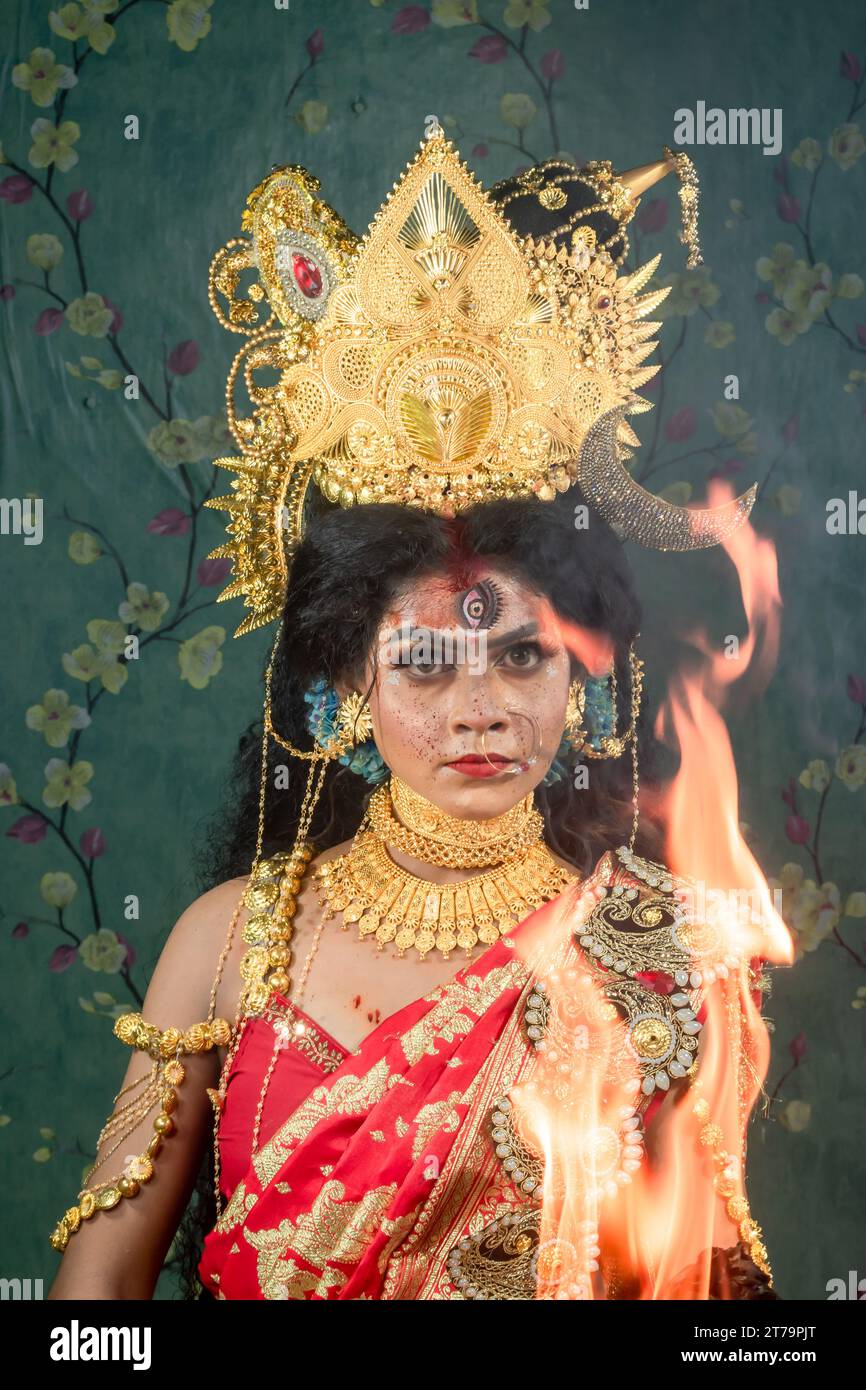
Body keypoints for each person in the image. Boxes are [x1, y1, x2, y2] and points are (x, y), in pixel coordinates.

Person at [47, 124, 779, 1301]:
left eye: (523, 657)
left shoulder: (651, 956)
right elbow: (89, 1316)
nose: (481, 708)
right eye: (427, 666)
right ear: (346, 688)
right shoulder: (229, 941)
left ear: (579, 679)